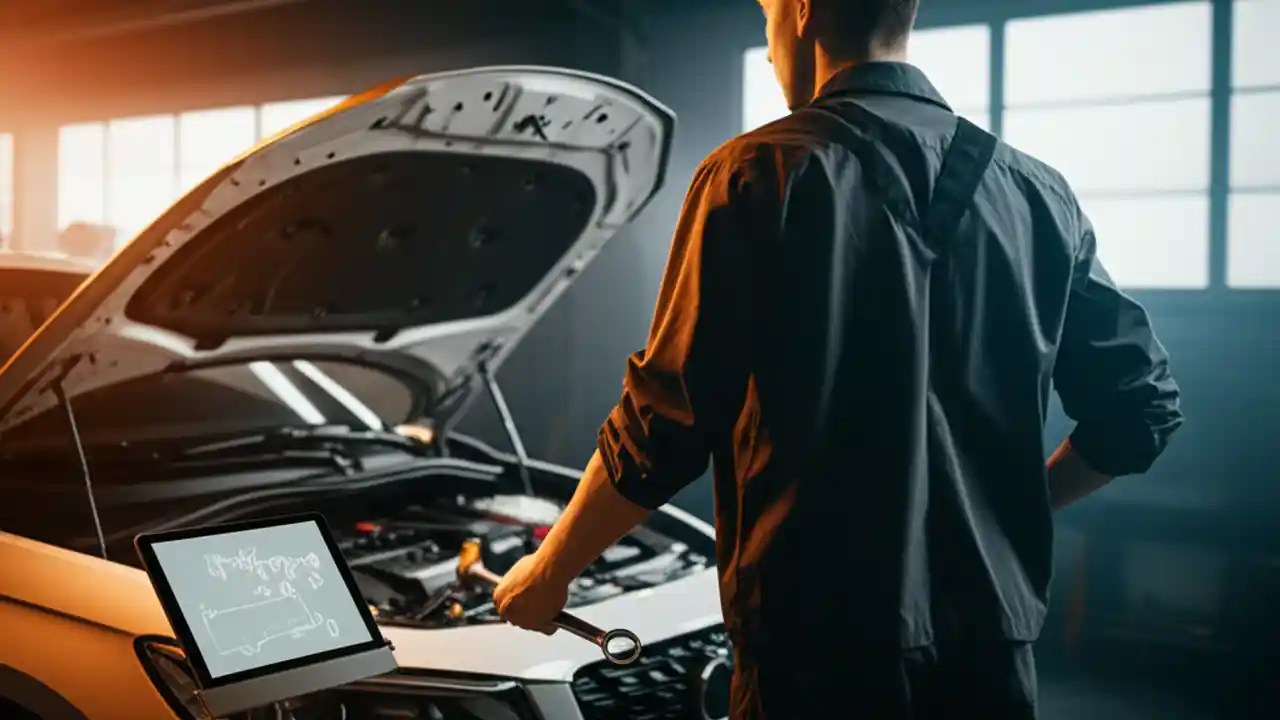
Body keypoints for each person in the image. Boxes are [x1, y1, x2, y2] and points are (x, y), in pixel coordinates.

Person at [493, 0, 1184, 717]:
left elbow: (665, 423)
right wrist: (1012, 510)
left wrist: (550, 571)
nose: (767, 51)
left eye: (766, 19)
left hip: (815, 657)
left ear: (801, 11)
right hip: (990, 655)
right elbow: (1141, 411)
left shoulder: (755, 173)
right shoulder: (1041, 194)